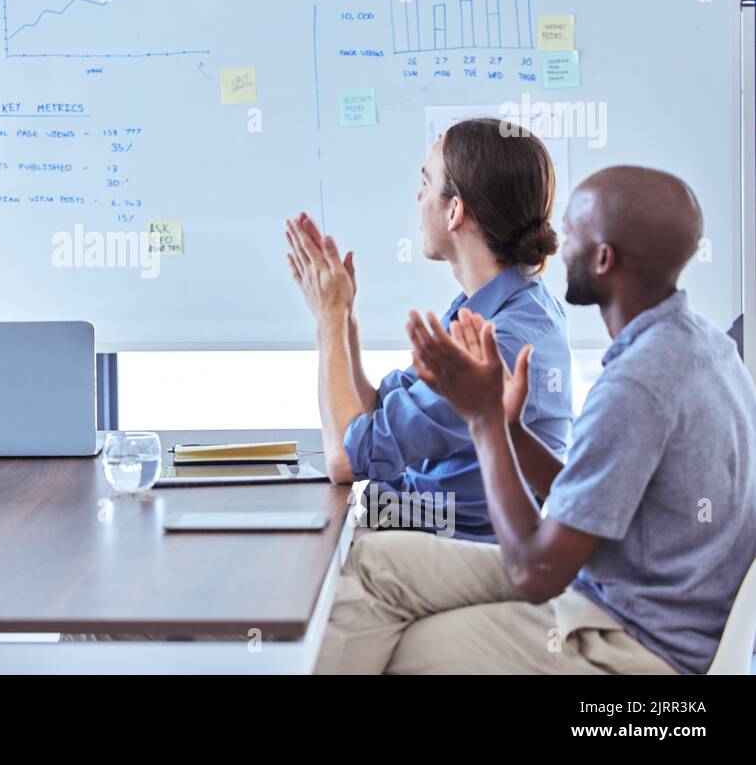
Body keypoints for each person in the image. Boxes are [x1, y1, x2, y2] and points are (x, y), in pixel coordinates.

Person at [319, 166, 756, 674]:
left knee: (407, 649)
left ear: (603, 258)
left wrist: (483, 422)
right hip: (615, 590)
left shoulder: (637, 384)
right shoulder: (706, 346)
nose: (554, 246)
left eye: (570, 233)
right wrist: (509, 429)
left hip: (629, 640)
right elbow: (589, 494)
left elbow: (535, 572)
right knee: (376, 567)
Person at [285, 117, 572, 540]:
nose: (418, 198)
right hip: (413, 530)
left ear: (455, 210)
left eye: (426, 183)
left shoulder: (502, 337)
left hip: (451, 547)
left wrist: (329, 320)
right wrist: (343, 316)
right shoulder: (497, 307)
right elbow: (375, 415)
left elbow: (344, 460)